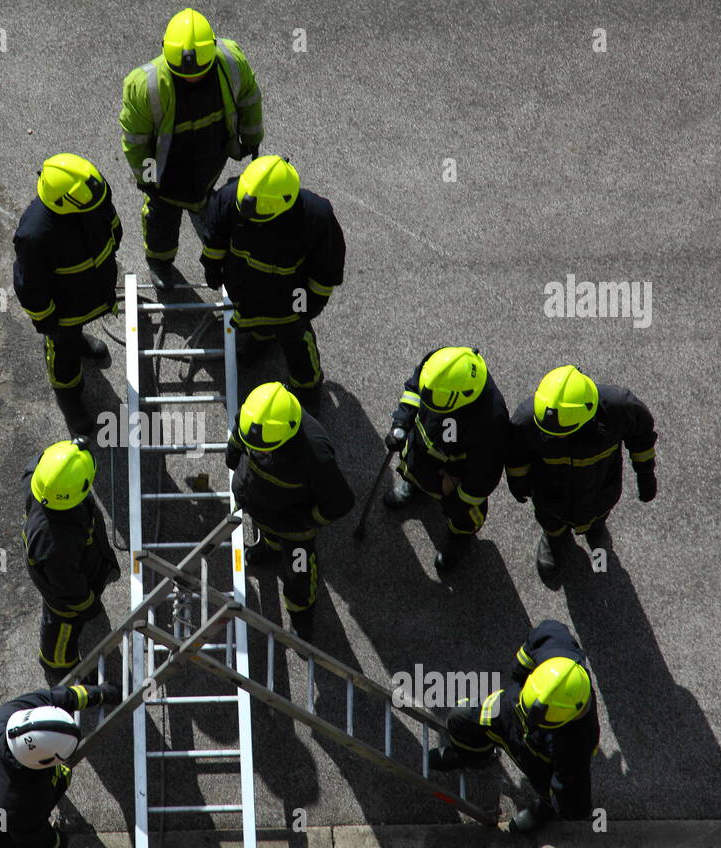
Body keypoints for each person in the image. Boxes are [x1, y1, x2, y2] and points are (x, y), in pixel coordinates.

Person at [120, 7, 263, 288]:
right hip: (168, 172)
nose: (192, 78)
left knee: (207, 201)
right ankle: (160, 262)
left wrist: (252, 137)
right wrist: (146, 178)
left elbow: (249, 97)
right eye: (184, 74)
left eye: (199, 72)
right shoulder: (145, 86)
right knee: (162, 221)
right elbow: (135, 140)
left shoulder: (231, 62)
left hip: (211, 158)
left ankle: (203, 216)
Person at [199, 156, 346, 414]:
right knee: (253, 320)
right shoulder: (231, 197)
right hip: (245, 288)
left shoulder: (315, 217)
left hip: (288, 298)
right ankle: (262, 339)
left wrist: (309, 305)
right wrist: (212, 268)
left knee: (297, 342)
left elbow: (326, 269)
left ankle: (307, 388)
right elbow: (215, 236)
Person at [429, 619, 600, 834]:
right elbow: (527, 654)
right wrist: (520, 675)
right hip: (507, 711)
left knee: (547, 787)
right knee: (461, 718)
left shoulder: (574, 746)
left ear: (564, 719)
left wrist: (563, 806)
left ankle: (545, 809)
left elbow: (573, 796)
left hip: (537, 755)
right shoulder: (552, 639)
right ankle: (473, 756)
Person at [505, 365, 659, 587]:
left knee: (599, 512)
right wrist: (517, 482)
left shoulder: (621, 408)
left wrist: (646, 473)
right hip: (551, 496)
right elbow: (516, 457)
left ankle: (596, 529)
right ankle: (554, 540)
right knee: (551, 520)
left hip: (602, 489)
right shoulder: (527, 420)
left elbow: (641, 438)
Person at [226, 382, 354, 642]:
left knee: (299, 573)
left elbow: (340, 501)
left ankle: (301, 616)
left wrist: (306, 522)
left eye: (265, 450)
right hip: (259, 505)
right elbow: (240, 432)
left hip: (294, 529)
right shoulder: (258, 412)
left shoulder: (315, 454)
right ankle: (270, 546)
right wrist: (233, 452)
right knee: (268, 533)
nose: (258, 452)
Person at [13, 154, 121, 433]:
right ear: (61, 203)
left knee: (75, 335)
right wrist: (47, 321)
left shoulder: (89, 198)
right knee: (63, 353)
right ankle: (69, 397)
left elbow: (110, 219)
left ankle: (79, 339)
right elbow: (29, 285)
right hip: (64, 311)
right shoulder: (35, 235)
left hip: (90, 295)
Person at [382, 346, 509, 571]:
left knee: (464, 515)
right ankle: (415, 487)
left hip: (454, 473)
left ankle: (459, 538)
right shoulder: (437, 365)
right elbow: (414, 389)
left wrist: (458, 502)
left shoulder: (491, 418)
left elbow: (484, 476)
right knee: (415, 469)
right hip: (423, 448)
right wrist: (401, 423)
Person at [0, 682, 120, 848]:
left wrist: (99, 693)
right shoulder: (20, 800)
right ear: (43, 763)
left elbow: (61, 696)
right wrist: (57, 844)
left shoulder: (6, 715)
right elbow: (32, 839)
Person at [23, 438, 120, 684]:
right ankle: (56, 662)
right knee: (62, 625)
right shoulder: (56, 543)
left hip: (74, 565)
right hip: (64, 597)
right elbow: (68, 587)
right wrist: (87, 605)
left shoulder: (41, 475)